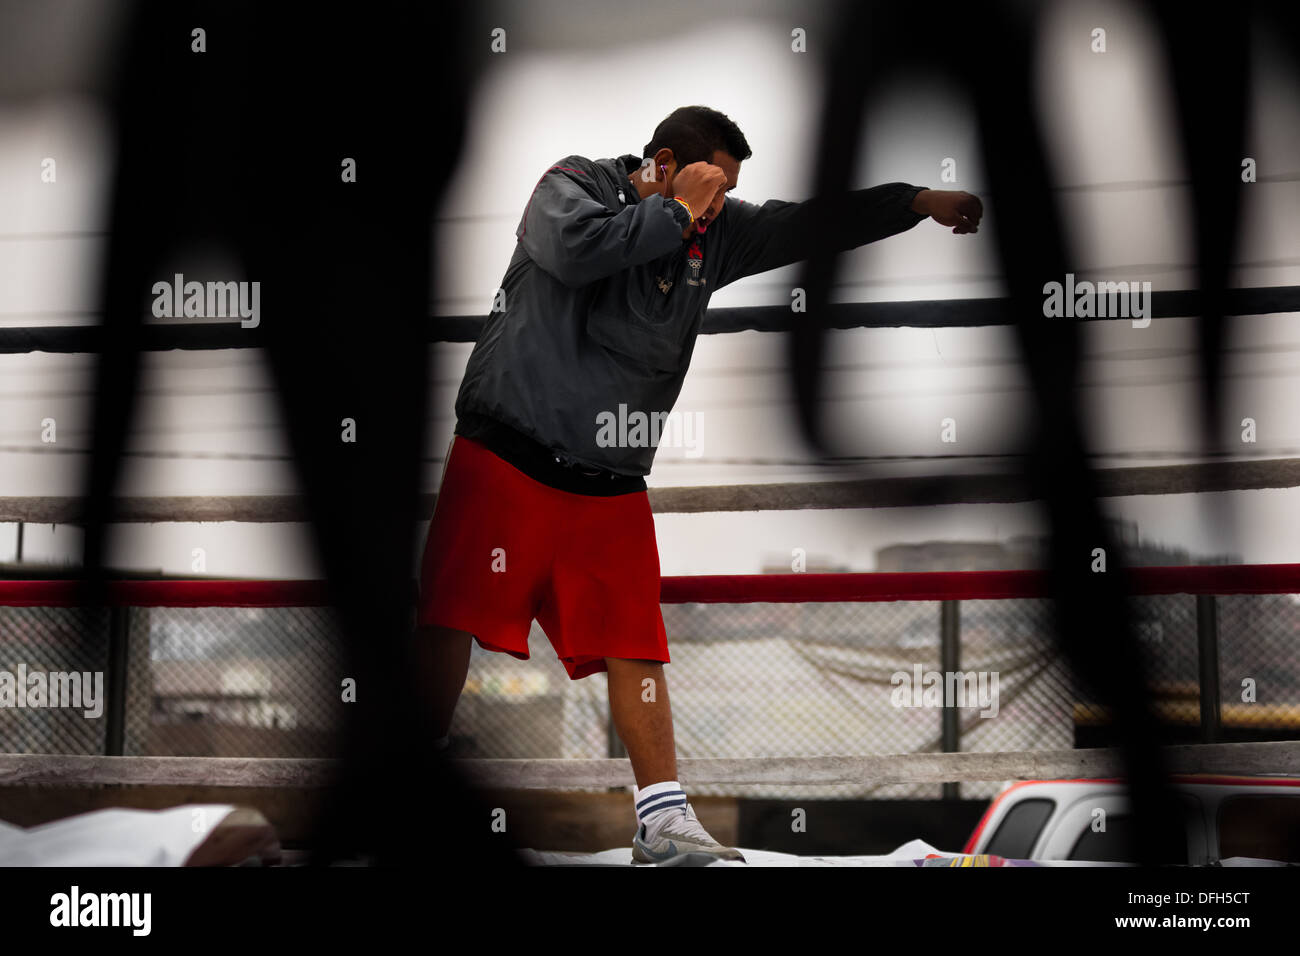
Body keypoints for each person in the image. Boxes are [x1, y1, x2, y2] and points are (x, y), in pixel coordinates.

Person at [415, 105, 982, 864]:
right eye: (711, 186)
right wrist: (678, 208)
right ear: (662, 160)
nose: (718, 208)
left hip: (608, 477)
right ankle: (406, 792)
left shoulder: (711, 235)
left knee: (635, 642)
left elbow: (805, 223)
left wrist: (912, 201)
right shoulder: (571, 187)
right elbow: (581, 252)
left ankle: (662, 820)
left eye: (724, 195)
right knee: (449, 618)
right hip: (505, 449)